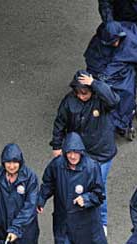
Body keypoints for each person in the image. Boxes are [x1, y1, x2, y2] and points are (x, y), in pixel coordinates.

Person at [39, 133, 108, 244]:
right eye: (69, 152)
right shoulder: (56, 166)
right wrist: (41, 200)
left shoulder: (91, 168)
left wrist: (86, 199)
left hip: (86, 220)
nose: (72, 156)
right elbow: (47, 184)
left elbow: (99, 194)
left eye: (76, 152)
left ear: (81, 152)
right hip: (63, 220)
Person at [52, 70, 120, 227]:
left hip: (102, 153)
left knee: (98, 188)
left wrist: (95, 84)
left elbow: (114, 101)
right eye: (79, 92)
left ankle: (101, 223)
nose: (82, 96)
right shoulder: (69, 102)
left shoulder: (101, 100)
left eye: (85, 92)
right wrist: (57, 145)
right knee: (78, 186)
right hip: (80, 153)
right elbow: (60, 123)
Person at [83, 22, 137, 139]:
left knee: (124, 92)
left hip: (122, 71)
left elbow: (128, 58)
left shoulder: (129, 43)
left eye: (116, 41)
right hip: (104, 70)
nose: (115, 44)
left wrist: (104, 76)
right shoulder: (98, 42)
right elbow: (92, 58)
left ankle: (121, 121)